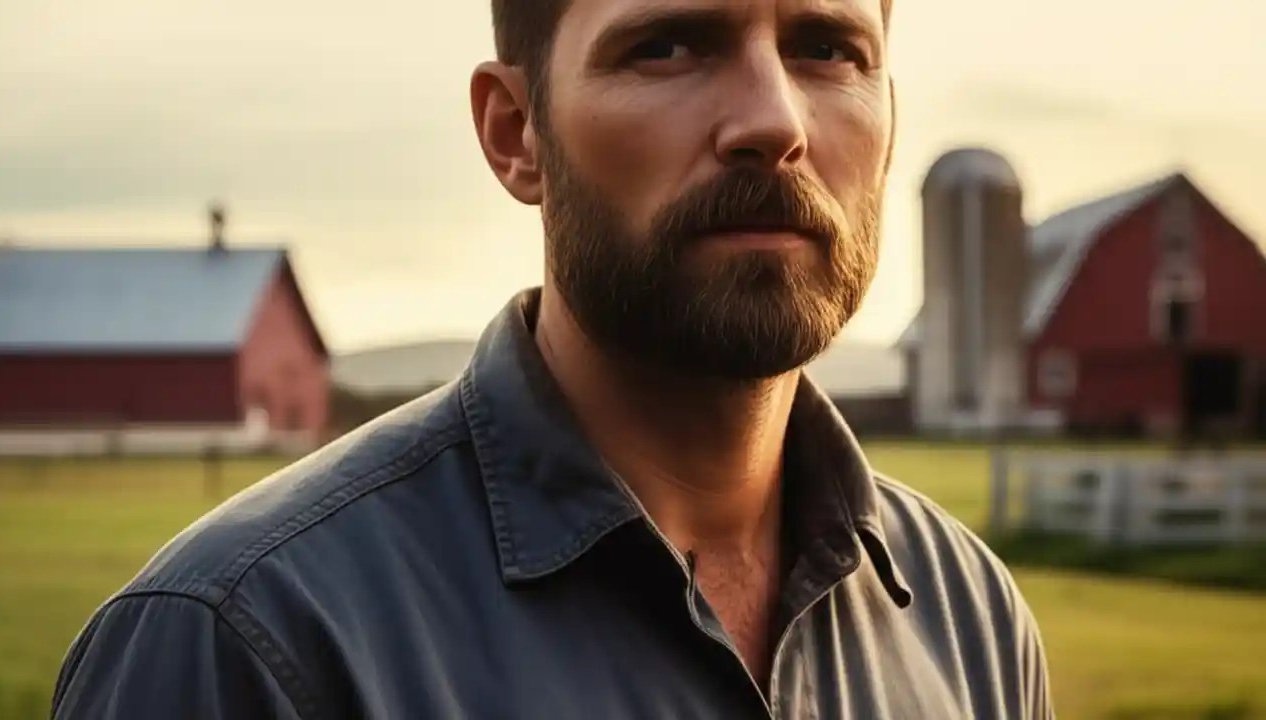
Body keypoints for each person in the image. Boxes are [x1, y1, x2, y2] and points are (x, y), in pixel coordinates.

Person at [52, 0, 1054, 717]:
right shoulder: (246, 640)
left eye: (828, 48)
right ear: (514, 132)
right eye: (666, 45)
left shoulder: (965, 614)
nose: (773, 125)